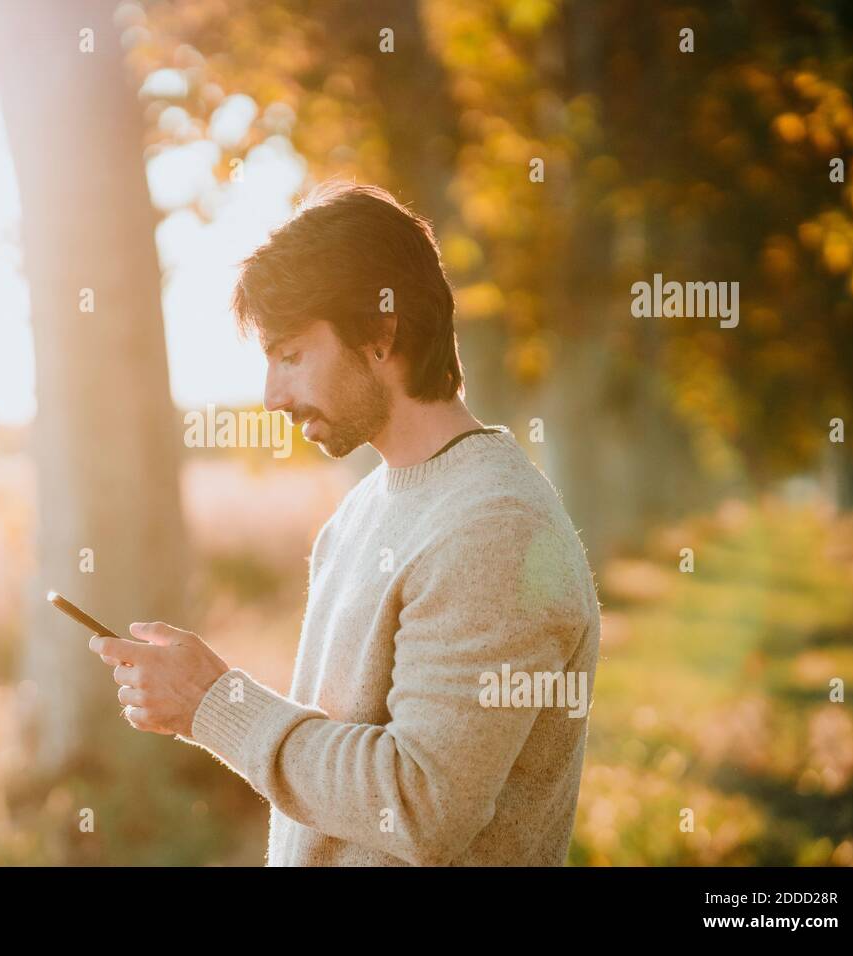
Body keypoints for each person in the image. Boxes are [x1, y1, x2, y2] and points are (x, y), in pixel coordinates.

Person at [88, 180, 602, 866]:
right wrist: (207, 700)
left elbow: (420, 802)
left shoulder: (493, 529)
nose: (272, 396)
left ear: (380, 332)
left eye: (292, 355)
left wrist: (214, 703)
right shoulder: (361, 511)